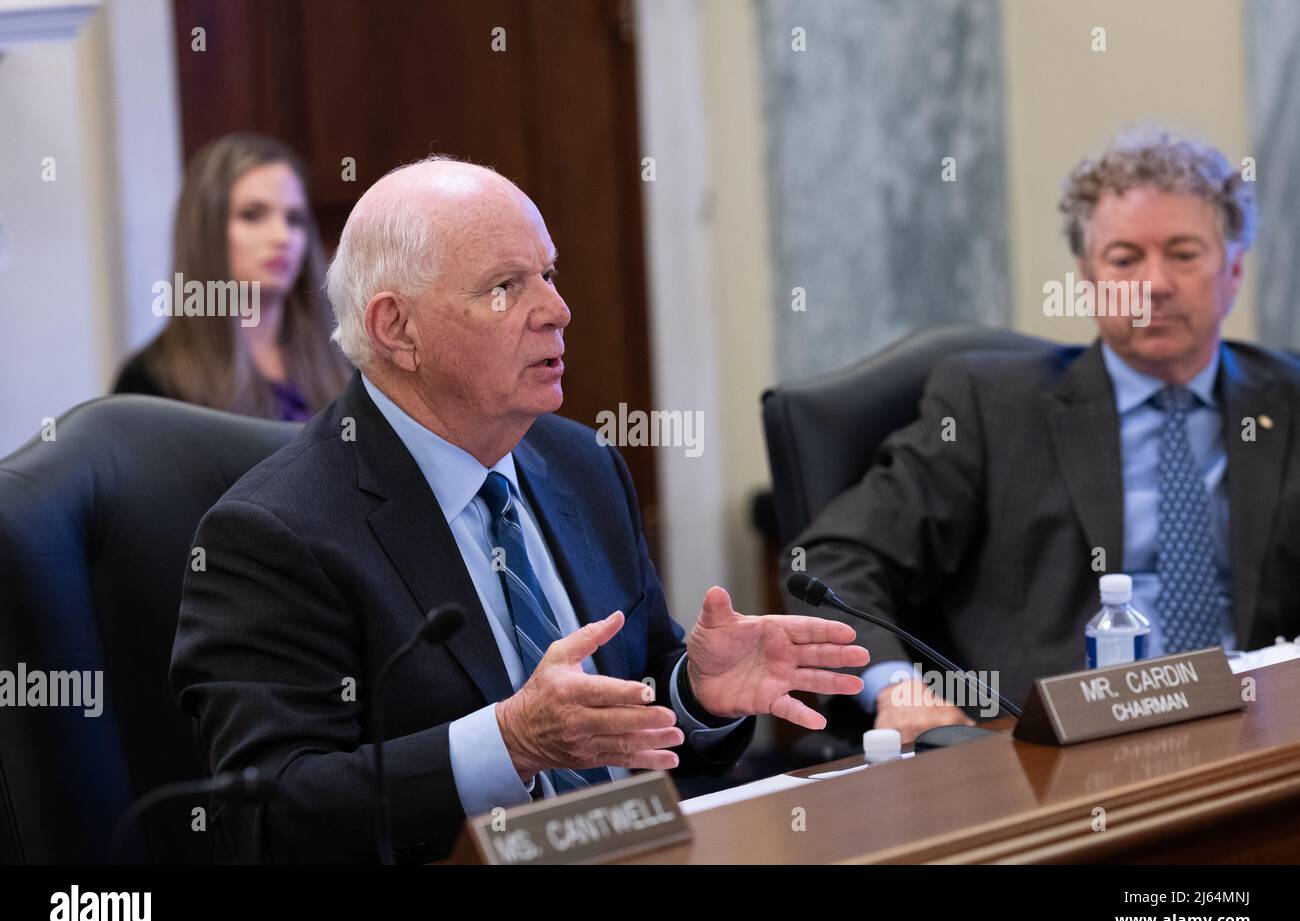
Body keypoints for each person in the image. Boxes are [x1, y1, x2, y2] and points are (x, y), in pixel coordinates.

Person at [170, 156, 869, 863]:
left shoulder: (582, 465)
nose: (557, 311)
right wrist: (509, 745)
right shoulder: (271, 533)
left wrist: (695, 692)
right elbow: (271, 815)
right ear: (396, 329)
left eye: (550, 275)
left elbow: (626, 708)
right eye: (506, 287)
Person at [792, 127, 1300, 744]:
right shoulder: (991, 408)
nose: (1155, 283)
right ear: (1087, 277)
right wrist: (899, 687)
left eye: (1184, 253)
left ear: (1235, 269)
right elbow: (834, 561)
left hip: (1258, 735)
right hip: (1044, 749)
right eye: (1125, 259)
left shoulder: (1288, 401)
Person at [113, 133, 350, 420]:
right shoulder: (150, 383)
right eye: (252, 215)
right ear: (206, 231)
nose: (283, 236)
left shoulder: (347, 360)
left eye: (295, 219)